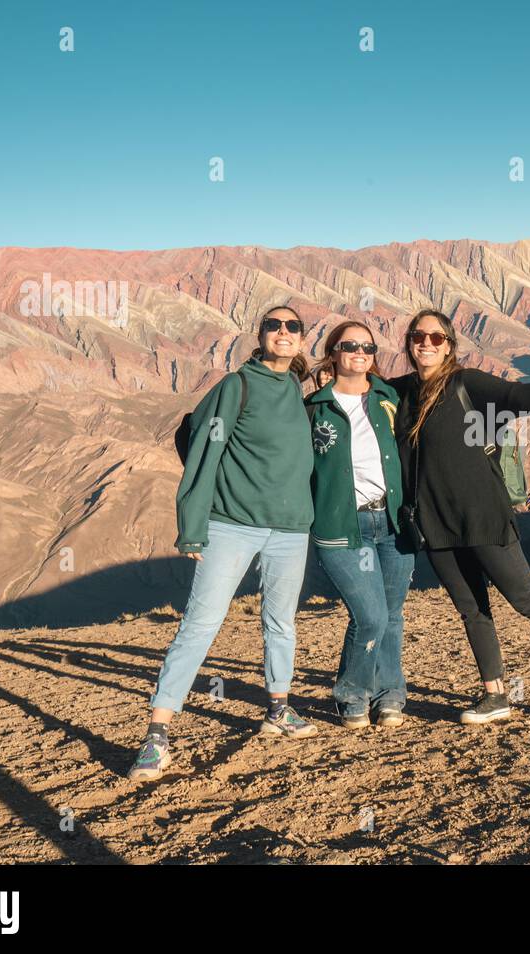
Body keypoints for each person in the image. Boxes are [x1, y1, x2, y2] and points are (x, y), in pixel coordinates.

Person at [389, 308, 530, 725]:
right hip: (434, 523)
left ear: (449, 347)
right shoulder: (399, 393)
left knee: (525, 598)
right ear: (408, 342)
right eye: (418, 336)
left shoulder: (466, 385)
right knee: (471, 609)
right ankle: (494, 695)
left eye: (436, 338)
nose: (425, 343)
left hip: (483, 516)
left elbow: (521, 397)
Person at [128, 305, 317, 782]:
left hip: (291, 529)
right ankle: (156, 735)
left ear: (301, 338)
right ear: (259, 335)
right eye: (273, 325)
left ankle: (279, 707)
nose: (283, 332)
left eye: (292, 326)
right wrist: (192, 522)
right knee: (201, 623)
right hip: (232, 525)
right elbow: (205, 452)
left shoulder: (297, 390)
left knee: (281, 623)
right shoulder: (237, 386)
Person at [306, 320, 415, 729]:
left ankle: (389, 695)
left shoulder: (389, 398)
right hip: (341, 525)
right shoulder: (315, 408)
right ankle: (351, 693)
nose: (359, 352)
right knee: (370, 616)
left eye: (368, 347)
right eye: (349, 345)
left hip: (392, 521)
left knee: (393, 613)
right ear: (332, 352)